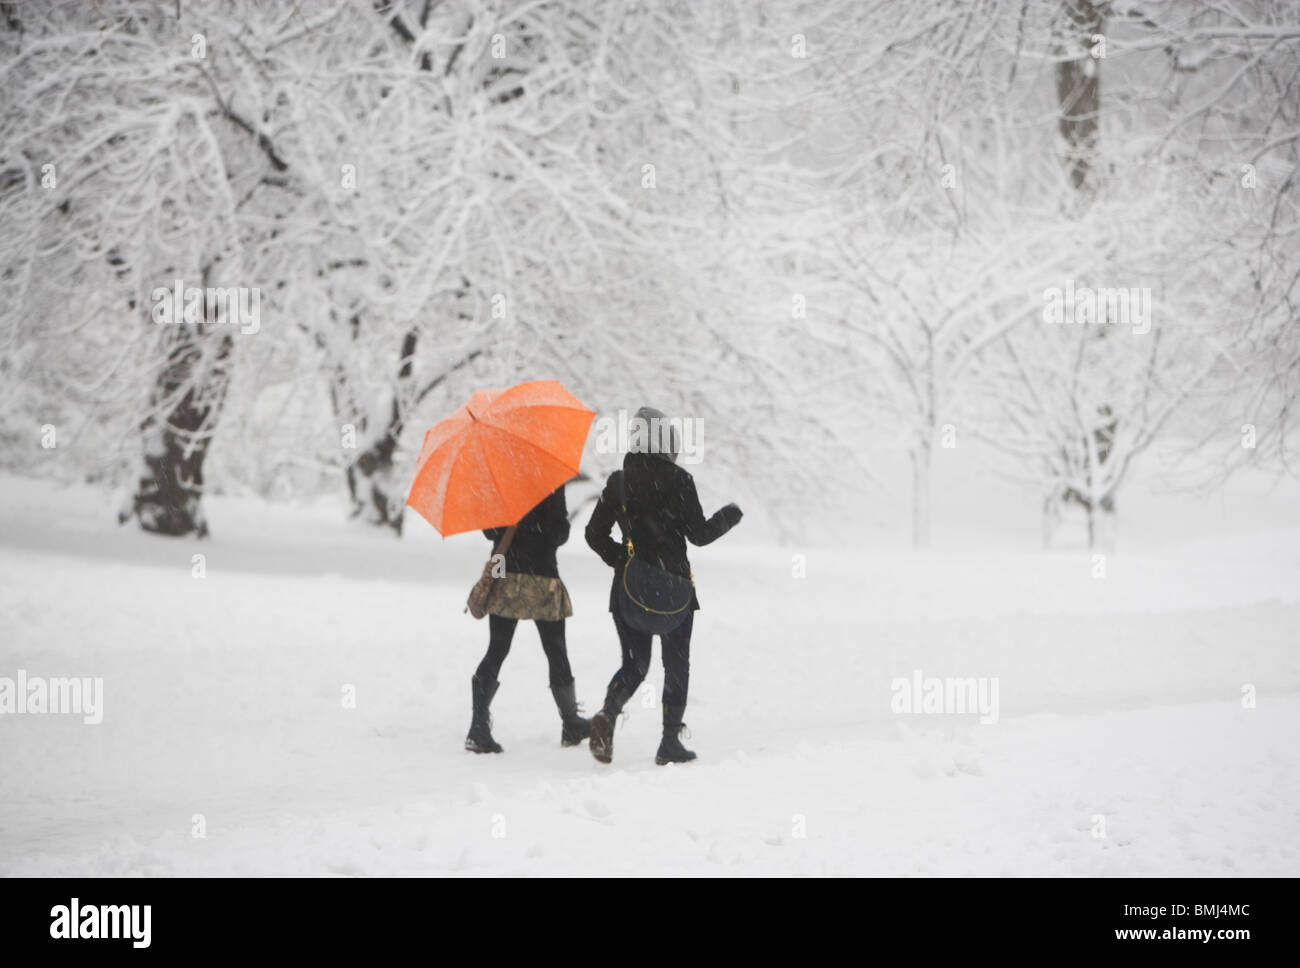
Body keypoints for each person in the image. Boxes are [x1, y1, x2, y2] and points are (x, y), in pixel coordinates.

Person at [584, 406, 742, 765]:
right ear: (666, 441)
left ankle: (608, 715)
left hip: (628, 592)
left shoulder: (619, 482)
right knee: (676, 664)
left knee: (635, 666)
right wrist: (728, 516)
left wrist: (623, 562)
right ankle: (669, 741)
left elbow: (594, 535)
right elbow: (699, 535)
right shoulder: (679, 480)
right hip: (674, 591)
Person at [466, 484, 591, 753]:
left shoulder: (500, 479)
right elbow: (559, 534)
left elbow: (489, 531)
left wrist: (511, 521)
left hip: (504, 573)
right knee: (556, 649)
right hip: (541, 573)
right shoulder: (549, 480)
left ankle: (478, 726)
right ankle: (571, 723)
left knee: (497, 648)